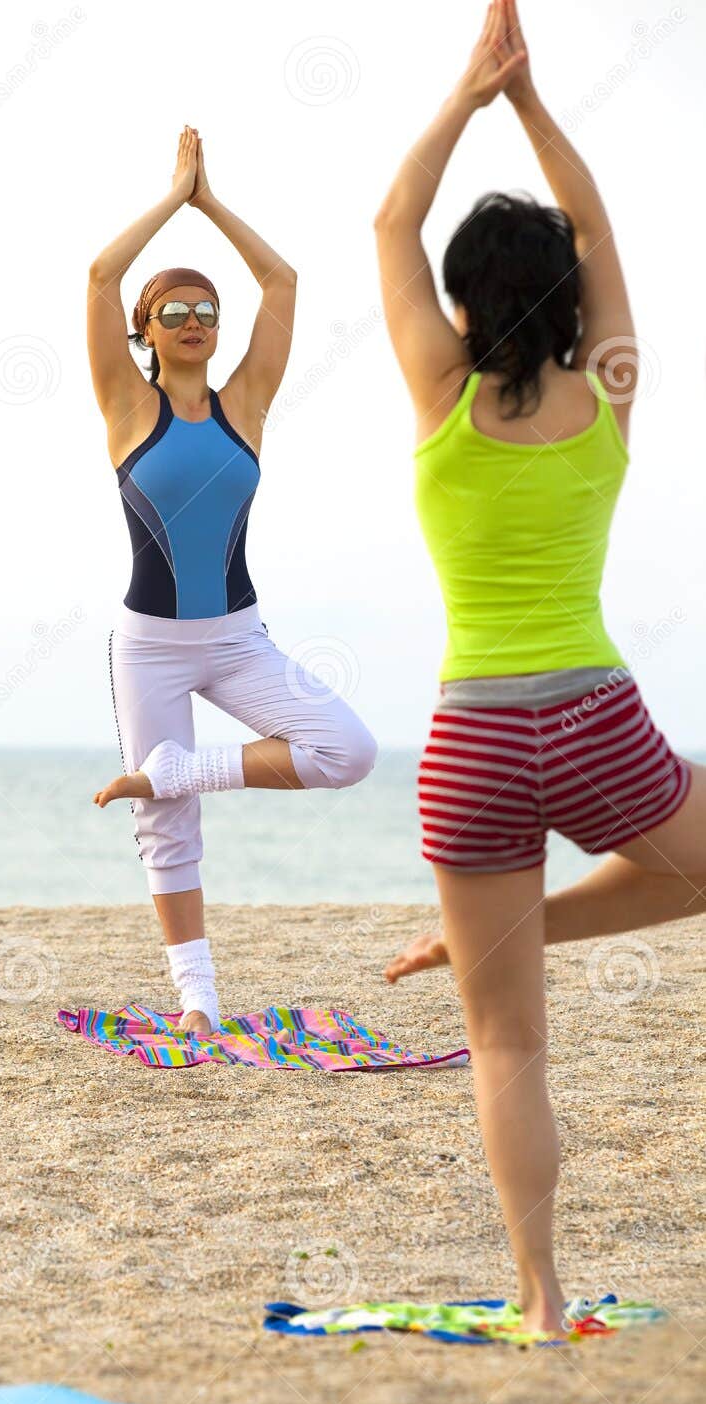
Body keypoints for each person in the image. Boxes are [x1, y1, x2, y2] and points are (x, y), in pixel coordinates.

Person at [374, 0, 702, 1335]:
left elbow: (387, 224)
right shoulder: (607, 389)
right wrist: (527, 104)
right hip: (591, 714)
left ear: (461, 304)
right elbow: (602, 227)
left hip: (468, 740)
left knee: (506, 1041)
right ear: (567, 300)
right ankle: (511, 928)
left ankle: (536, 1288)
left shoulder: (436, 391)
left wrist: (463, 95)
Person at [88, 129, 377, 1035]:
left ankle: (181, 769)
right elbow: (100, 277)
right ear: (145, 332)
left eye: (204, 309)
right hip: (150, 647)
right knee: (164, 826)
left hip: (237, 637)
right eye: (172, 313)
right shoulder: (125, 405)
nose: (193, 323)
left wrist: (212, 203)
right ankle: (198, 1001)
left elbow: (282, 282)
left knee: (346, 748)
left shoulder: (243, 402)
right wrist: (173, 198)